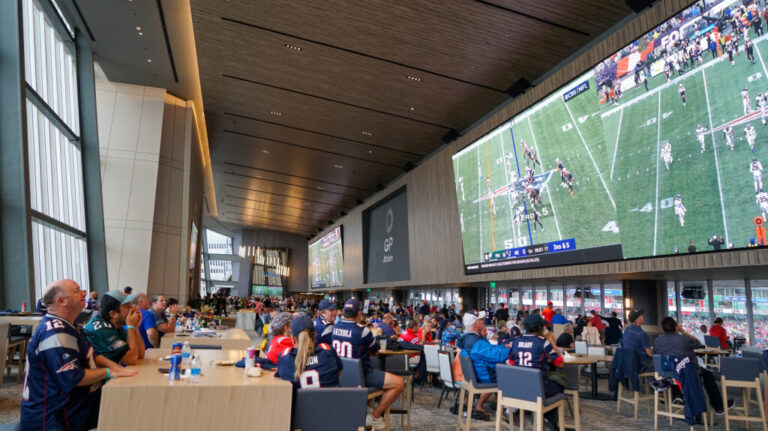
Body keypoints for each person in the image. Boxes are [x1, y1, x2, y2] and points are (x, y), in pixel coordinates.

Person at [20, 280, 137, 430]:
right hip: (53, 419)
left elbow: (93, 355)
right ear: (61, 301)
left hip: (73, 413)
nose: (84, 293)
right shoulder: (55, 333)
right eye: (77, 291)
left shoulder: (68, 325)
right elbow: (72, 377)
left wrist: (117, 369)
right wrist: (108, 372)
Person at [332, 299, 403, 430]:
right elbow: (375, 352)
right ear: (359, 313)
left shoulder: (334, 328)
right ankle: (375, 416)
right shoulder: (363, 331)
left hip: (340, 376)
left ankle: (368, 406)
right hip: (362, 376)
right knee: (399, 383)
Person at [654, 317, 734, 415]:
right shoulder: (684, 339)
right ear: (676, 327)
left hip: (667, 375)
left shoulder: (657, 341)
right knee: (707, 374)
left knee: (701, 372)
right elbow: (698, 344)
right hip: (686, 374)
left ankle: (678, 396)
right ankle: (718, 407)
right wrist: (683, 331)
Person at [510, 314, 564, 428]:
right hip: (538, 389)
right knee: (559, 384)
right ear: (540, 328)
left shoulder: (516, 341)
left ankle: (540, 415)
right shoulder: (543, 342)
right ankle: (549, 420)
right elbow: (560, 362)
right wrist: (552, 344)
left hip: (518, 388)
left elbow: (512, 363)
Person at [457, 310, 511, 420]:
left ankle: (500, 406)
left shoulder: (467, 339)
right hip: (486, 377)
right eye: (481, 320)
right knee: (511, 376)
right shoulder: (476, 342)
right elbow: (497, 356)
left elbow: (490, 350)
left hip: (475, 376)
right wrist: (514, 348)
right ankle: (508, 412)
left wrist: (504, 347)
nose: (484, 322)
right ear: (476, 323)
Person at [275, 315, 342, 389]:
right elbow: (339, 373)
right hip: (333, 399)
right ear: (315, 335)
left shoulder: (285, 358)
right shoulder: (328, 351)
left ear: (292, 338)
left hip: (300, 401)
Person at [84, 290, 145, 365]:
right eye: (128, 307)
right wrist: (131, 326)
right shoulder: (101, 329)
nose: (133, 309)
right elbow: (131, 359)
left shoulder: (116, 326)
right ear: (113, 314)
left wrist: (135, 327)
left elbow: (140, 355)